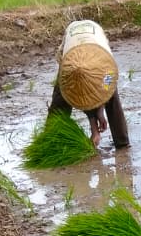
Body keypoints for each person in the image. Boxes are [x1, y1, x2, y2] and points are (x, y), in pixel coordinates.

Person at [47, 19, 130, 149]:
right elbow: (82, 96)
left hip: (96, 41)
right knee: (61, 98)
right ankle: (51, 141)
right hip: (72, 54)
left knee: (112, 96)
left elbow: (104, 92)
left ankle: (122, 142)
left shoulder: (107, 69)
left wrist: (100, 112)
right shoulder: (68, 71)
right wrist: (94, 129)